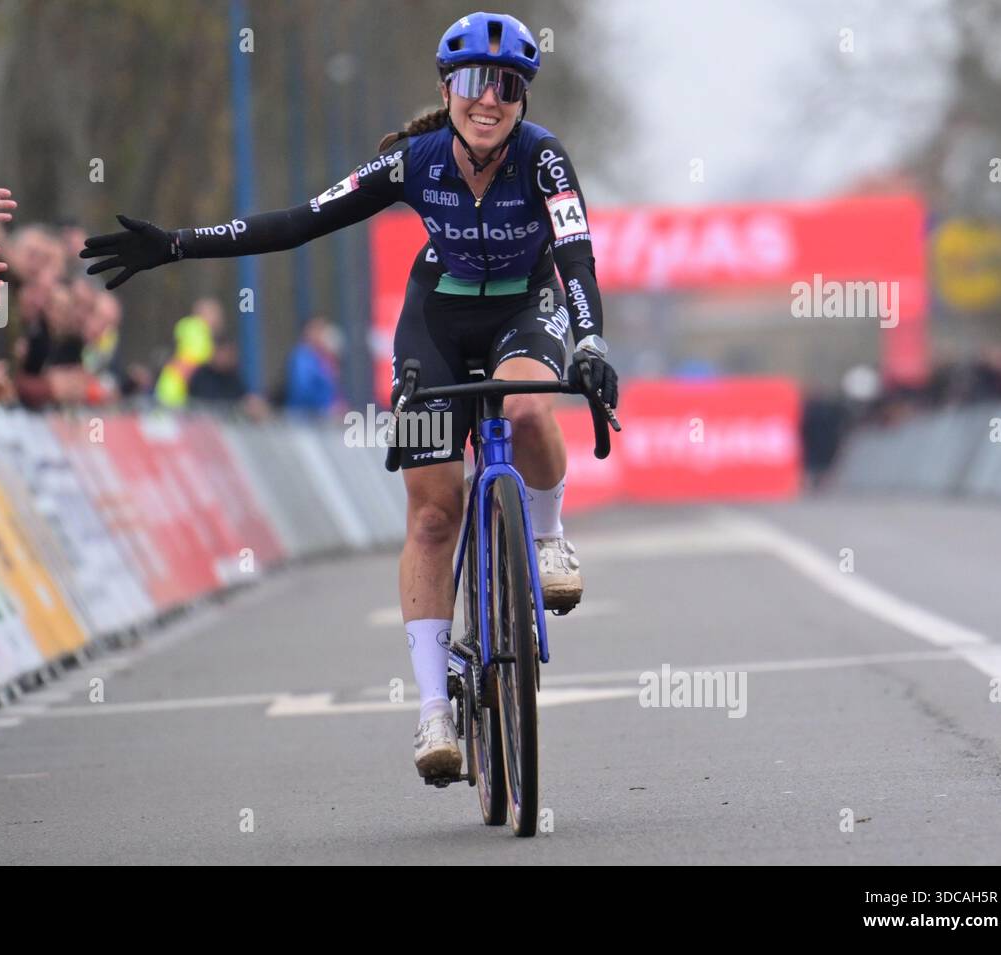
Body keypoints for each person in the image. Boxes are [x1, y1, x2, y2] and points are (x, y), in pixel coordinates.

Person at [82, 12, 618, 780]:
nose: (489, 99)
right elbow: (300, 223)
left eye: (507, 85)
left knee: (527, 405)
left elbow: (575, 253)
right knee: (435, 514)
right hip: (438, 314)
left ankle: (547, 533)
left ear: (523, 99)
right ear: (448, 90)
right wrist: (176, 243)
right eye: (474, 83)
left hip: (524, 308)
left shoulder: (545, 161)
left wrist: (592, 341)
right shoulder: (414, 162)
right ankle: (435, 707)